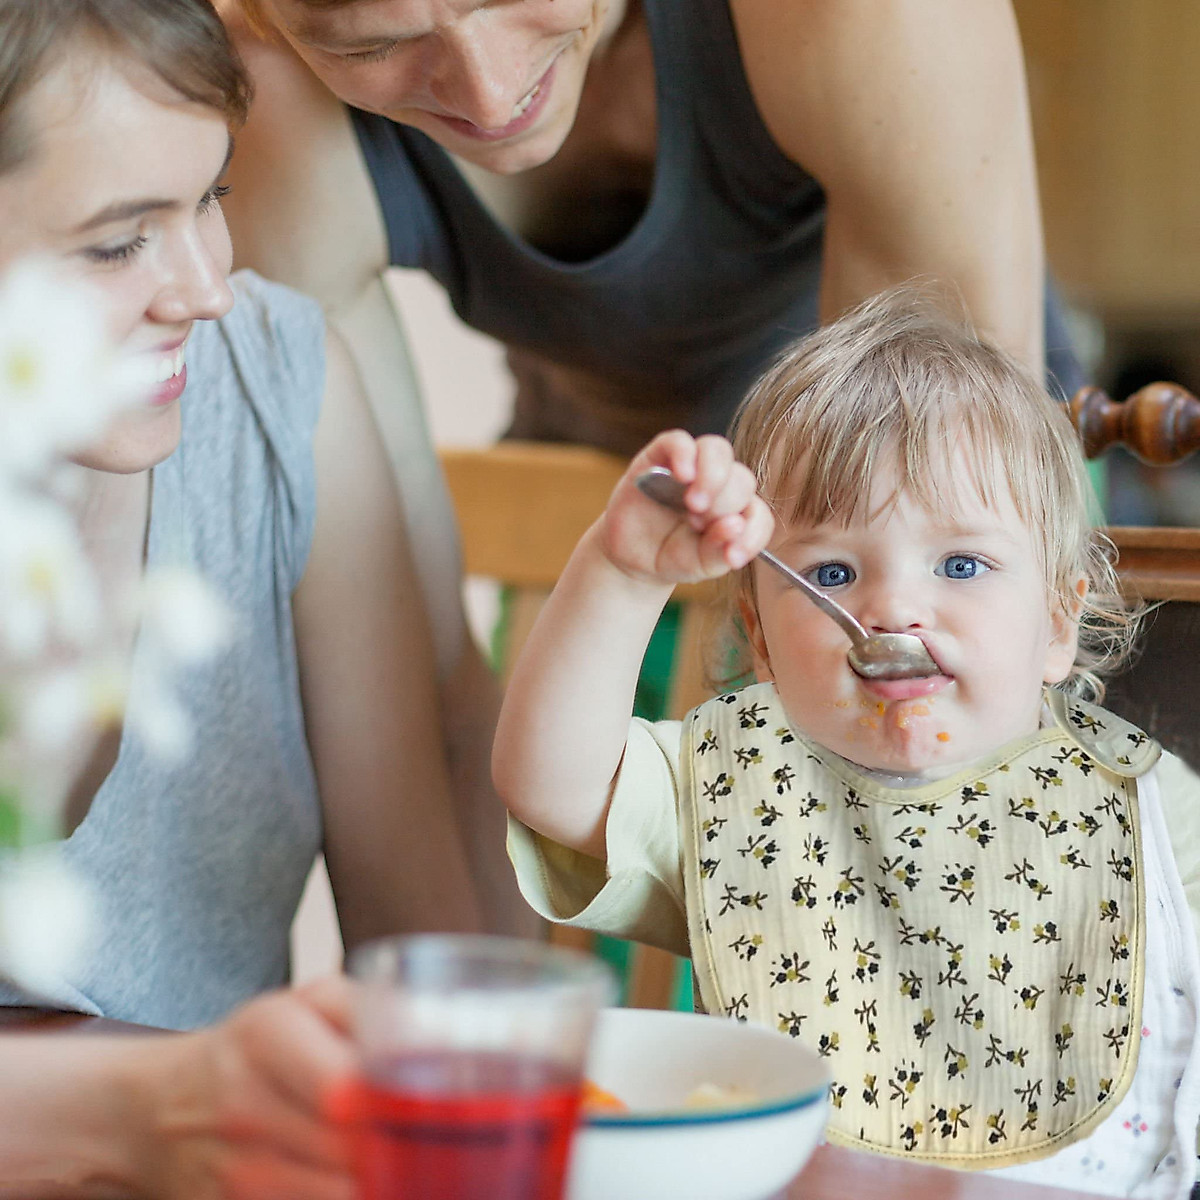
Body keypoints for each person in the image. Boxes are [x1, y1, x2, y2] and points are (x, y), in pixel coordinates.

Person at [212, 0, 1080, 787]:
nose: (488, 92)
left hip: (941, 538)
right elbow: (407, 699)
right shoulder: (265, 89)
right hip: (611, 528)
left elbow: (929, 551)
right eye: (375, 43)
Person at [494, 289, 1200, 1198]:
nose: (895, 607)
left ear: (1058, 620)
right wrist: (625, 574)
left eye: (960, 565)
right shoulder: (741, 788)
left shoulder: (1148, 808)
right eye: (832, 571)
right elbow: (550, 784)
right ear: (760, 638)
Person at [0, 1, 518, 1194]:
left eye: (213, 199)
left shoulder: (273, 400)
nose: (203, 290)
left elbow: (417, 950)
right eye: (116, 243)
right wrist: (159, 1105)